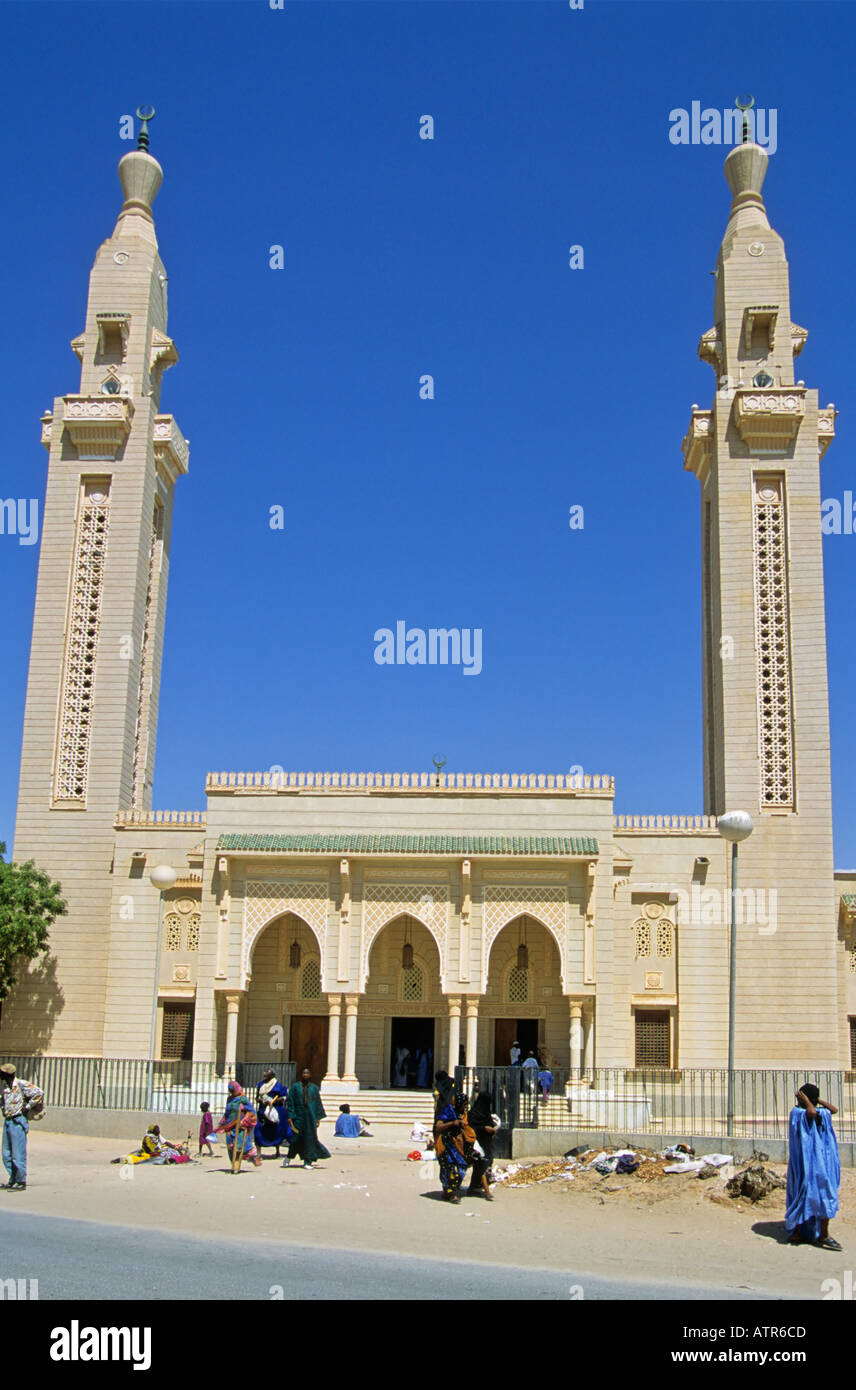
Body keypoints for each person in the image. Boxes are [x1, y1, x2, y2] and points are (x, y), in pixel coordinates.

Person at [785, 1083, 842, 1249]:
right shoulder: (797, 1113)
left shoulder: (821, 1112)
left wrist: (815, 1100)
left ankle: (824, 1234)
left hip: (823, 1163)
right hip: (804, 1163)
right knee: (801, 1194)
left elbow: (833, 1110)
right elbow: (810, 1113)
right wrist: (811, 1103)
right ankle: (796, 1231)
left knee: (825, 1195)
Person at [0, 1062, 44, 1192]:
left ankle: (20, 1180)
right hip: (8, 1120)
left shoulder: (21, 1084)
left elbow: (39, 1093)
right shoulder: (4, 1087)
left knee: (18, 1153)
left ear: (9, 1074)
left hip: (18, 1121)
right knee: (6, 1153)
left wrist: (27, 1107)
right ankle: (12, 1179)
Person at [283, 1068, 330, 1168]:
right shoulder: (295, 1087)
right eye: (304, 1073)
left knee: (310, 1139)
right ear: (301, 1074)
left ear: (310, 1075)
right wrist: (290, 1116)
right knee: (296, 1139)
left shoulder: (314, 1088)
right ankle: (289, 1157)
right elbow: (290, 1102)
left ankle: (307, 1161)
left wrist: (317, 1117)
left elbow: (317, 1103)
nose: (305, 1075)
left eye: (307, 1073)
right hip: (298, 1117)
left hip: (310, 1117)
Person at [433, 1082, 470, 1204]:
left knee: (461, 1169)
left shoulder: (462, 1113)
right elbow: (438, 1127)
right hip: (445, 1144)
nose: (465, 1107)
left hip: (456, 1145)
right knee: (449, 1169)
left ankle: (448, 1191)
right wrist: (452, 1124)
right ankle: (451, 1193)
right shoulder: (447, 1111)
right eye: (464, 1104)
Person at [216, 1082, 262, 1169]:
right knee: (231, 1147)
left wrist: (244, 1121)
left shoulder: (243, 1099)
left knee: (242, 1145)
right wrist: (221, 1124)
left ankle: (252, 1159)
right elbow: (227, 1113)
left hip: (240, 1126)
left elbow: (252, 1111)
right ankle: (234, 1165)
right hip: (229, 1126)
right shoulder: (229, 1099)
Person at [467, 1083, 497, 1201]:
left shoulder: (486, 1113)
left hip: (486, 1143)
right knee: (482, 1165)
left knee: (483, 1165)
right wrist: (483, 1128)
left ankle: (475, 1187)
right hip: (477, 1144)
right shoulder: (474, 1113)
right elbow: (471, 1127)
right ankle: (487, 1192)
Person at [254, 1071, 291, 1156]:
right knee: (259, 1128)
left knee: (277, 1129)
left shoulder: (278, 1085)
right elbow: (257, 1098)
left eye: (267, 1073)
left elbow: (284, 1096)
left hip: (275, 1110)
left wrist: (276, 1100)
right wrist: (262, 1101)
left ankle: (277, 1151)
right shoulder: (260, 1085)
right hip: (263, 1111)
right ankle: (258, 1153)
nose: (265, 1074)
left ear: (272, 1075)